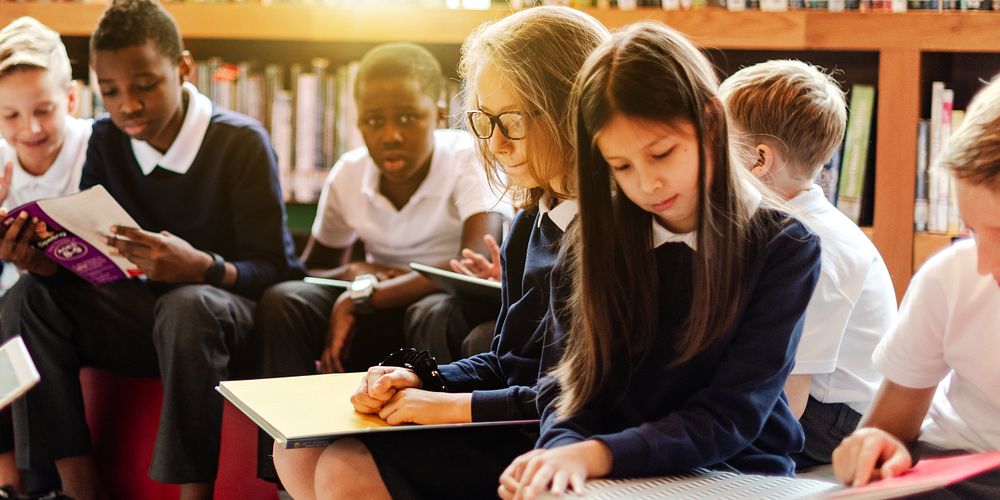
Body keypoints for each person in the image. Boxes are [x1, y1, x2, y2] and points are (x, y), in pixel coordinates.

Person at [269, 7, 609, 500]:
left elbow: (570, 398)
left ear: (570, 106)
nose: (494, 143)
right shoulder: (529, 225)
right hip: (514, 417)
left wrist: (446, 405)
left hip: (560, 438)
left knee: (346, 467)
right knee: (295, 447)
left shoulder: (608, 235)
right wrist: (419, 376)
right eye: (485, 120)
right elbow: (505, 359)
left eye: (511, 120)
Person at [498, 22, 822, 499]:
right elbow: (564, 386)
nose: (646, 183)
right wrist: (560, 452)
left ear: (710, 123)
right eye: (622, 167)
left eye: (662, 153)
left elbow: (731, 415)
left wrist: (594, 456)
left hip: (735, 471)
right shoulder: (589, 238)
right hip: (615, 465)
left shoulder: (784, 247)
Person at [0, 1, 302, 499]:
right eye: (111, 92)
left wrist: (201, 267)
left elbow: (277, 270)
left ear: (183, 68)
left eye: (145, 85)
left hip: (220, 320)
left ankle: (192, 494)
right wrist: (45, 264)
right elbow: (94, 264)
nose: (127, 106)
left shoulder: (240, 142)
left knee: (187, 304)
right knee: (27, 297)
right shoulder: (106, 140)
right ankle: (78, 488)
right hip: (140, 317)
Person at [253, 41, 509, 481]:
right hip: (377, 310)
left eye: (409, 117)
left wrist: (367, 295)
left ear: (437, 111)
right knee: (284, 299)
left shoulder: (468, 157)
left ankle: (420, 466)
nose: (390, 134)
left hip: (438, 308)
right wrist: (356, 276)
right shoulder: (350, 173)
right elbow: (312, 272)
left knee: (435, 310)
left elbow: (472, 262)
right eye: (373, 120)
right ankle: (287, 461)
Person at [718, 59, 897, 469]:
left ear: (758, 160)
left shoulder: (817, 247)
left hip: (835, 418)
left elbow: (789, 403)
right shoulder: (769, 225)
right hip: (801, 394)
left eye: (718, 144)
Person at [832, 74, 1000, 497]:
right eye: (972, 232)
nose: (984, 263)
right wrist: (876, 447)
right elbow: (888, 431)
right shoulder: (951, 277)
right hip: (955, 468)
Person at [0, 16, 92, 499]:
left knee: (22, 303)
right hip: (14, 302)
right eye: (10, 116)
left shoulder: (98, 149)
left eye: (44, 109)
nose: (30, 129)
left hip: (80, 304)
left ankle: (62, 487)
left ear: (71, 100)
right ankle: (8, 484)